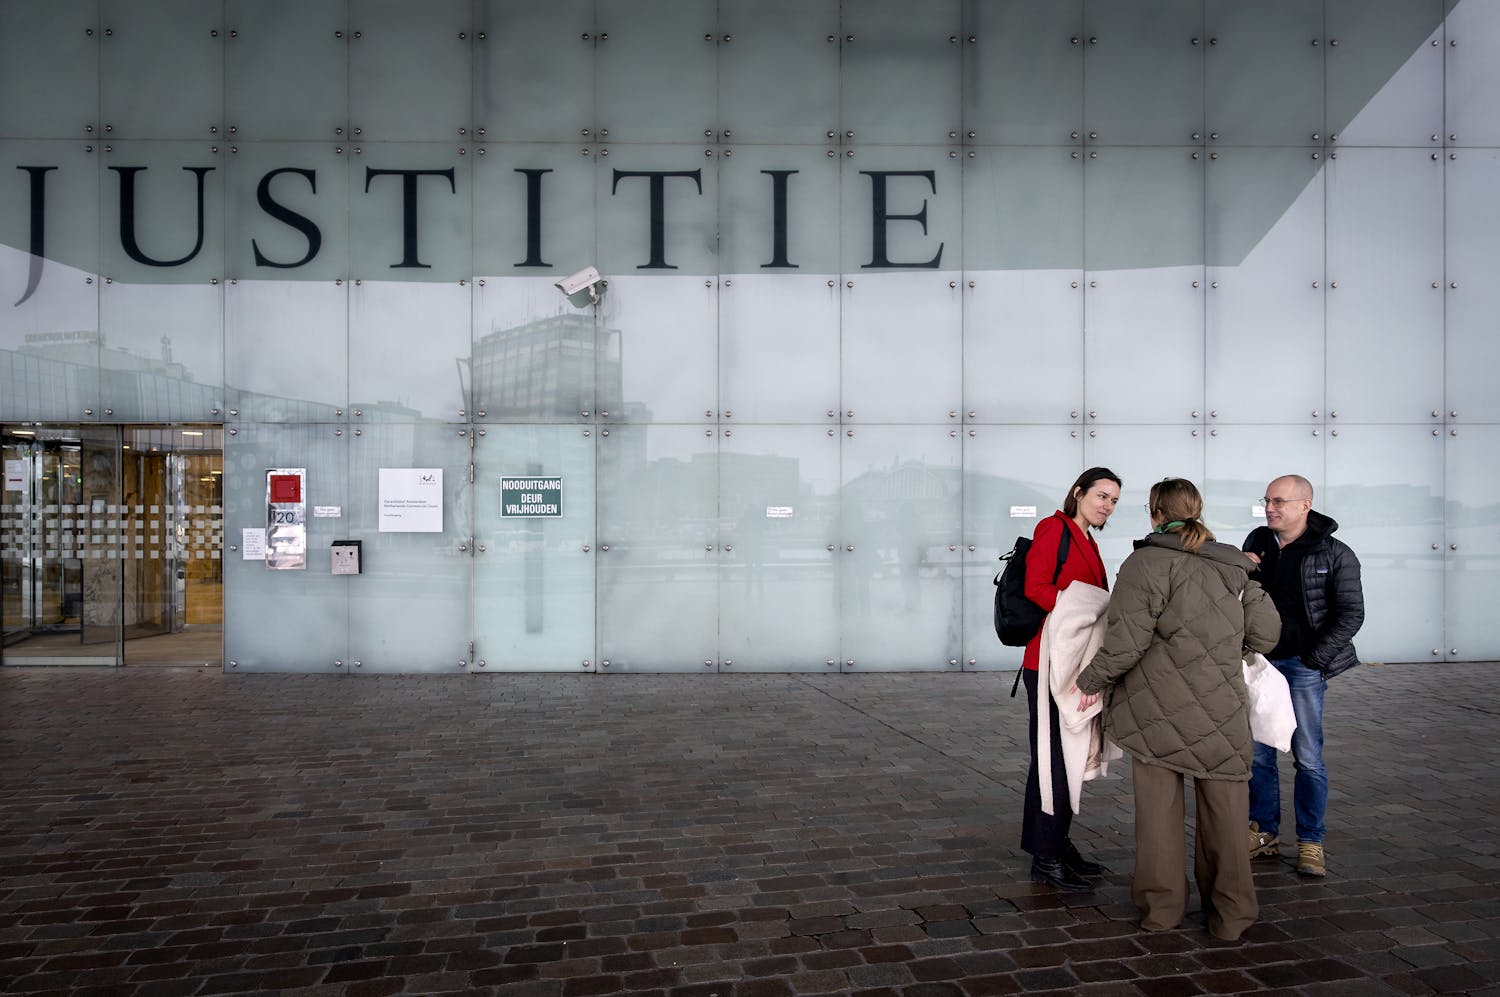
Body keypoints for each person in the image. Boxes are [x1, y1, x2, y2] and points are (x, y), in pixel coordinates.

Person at [1076, 478, 1280, 941]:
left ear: (1153, 513)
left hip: (1155, 709)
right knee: (1228, 819)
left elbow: (1126, 643)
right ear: (1197, 511)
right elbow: (1266, 637)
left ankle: (1161, 912)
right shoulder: (1235, 566)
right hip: (1221, 711)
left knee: (1158, 820)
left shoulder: (1144, 563)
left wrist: (1089, 681)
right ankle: (1231, 918)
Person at [1242, 474, 1364, 878]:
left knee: (1307, 756)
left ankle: (1311, 841)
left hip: (1302, 667)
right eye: (1267, 500)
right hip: (1260, 663)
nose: (1270, 507)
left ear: (1304, 505)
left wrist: (1314, 659)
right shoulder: (1257, 541)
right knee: (1259, 754)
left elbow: (1351, 614)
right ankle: (1265, 833)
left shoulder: (1334, 553)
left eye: (1279, 501)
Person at [1019, 467, 1120, 892]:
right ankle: (1047, 855)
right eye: (1101, 495)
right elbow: (1035, 586)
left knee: (1065, 758)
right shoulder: (1052, 529)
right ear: (1078, 492)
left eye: (1114, 500)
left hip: (1071, 662)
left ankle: (1056, 844)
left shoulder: (1088, 540)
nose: (1107, 505)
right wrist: (1079, 611)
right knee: (1054, 760)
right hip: (1048, 662)